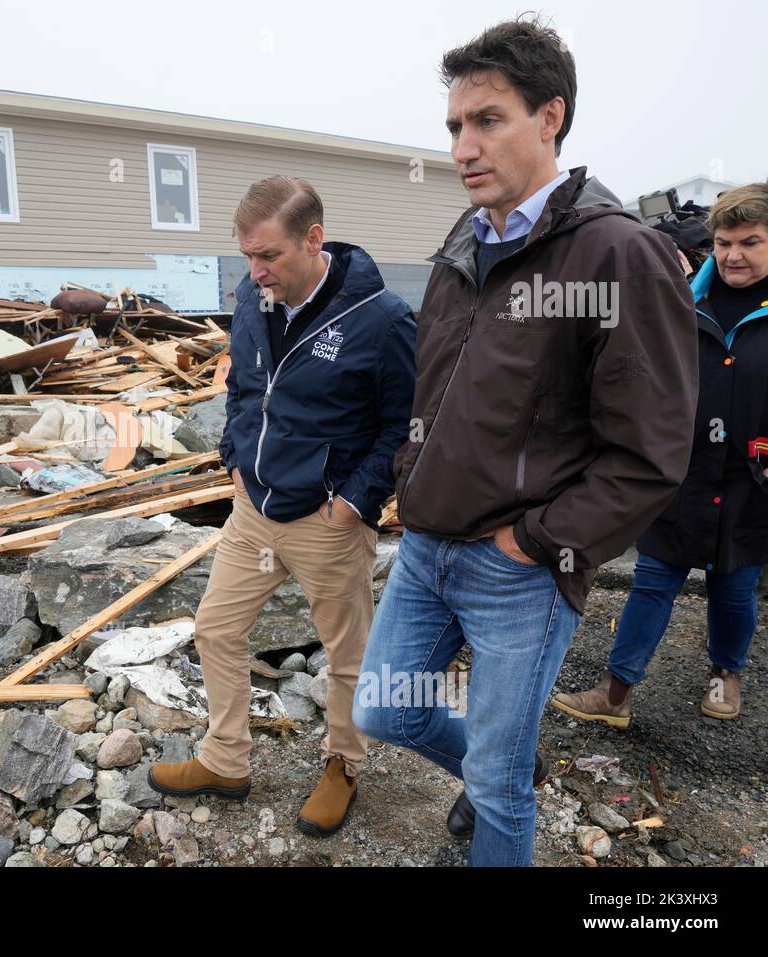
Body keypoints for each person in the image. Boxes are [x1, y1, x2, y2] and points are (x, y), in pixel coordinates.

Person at [351, 17, 699, 866]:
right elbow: (432, 395)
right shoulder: (460, 247)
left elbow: (651, 451)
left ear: (551, 117)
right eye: (454, 127)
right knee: (383, 711)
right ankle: (502, 760)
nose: (464, 145)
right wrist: (409, 478)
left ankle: (500, 774)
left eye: (488, 120)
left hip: (520, 572)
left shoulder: (617, 254)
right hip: (429, 545)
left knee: (498, 786)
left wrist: (534, 543)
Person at [148, 176, 416, 836]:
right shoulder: (253, 296)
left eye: (268, 255)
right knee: (214, 628)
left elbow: (406, 426)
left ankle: (343, 765)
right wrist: (236, 456)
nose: (255, 270)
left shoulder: (382, 320)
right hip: (255, 509)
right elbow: (243, 384)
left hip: (327, 521)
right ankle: (225, 758)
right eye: (246, 255)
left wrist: (354, 500)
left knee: (346, 652)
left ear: (313, 239)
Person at [554, 183, 768, 726]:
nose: (732, 255)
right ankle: (616, 692)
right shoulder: (684, 300)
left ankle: (726, 675)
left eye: (751, 242)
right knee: (652, 581)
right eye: (723, 242)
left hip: (750, 482)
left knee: (734, 588)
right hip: (683, 471)